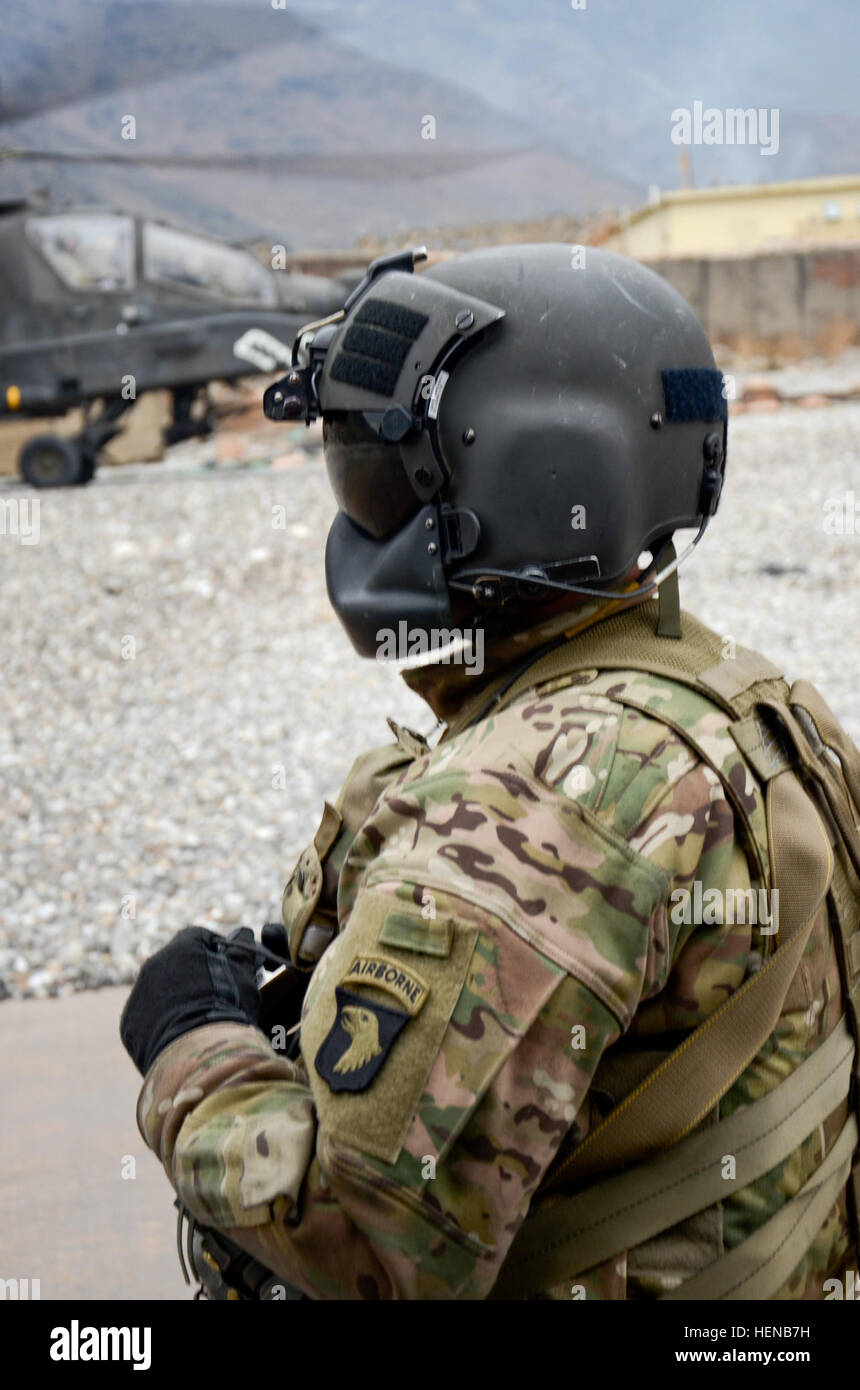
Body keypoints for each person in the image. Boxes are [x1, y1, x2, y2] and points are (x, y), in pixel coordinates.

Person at [121, 244, 860, 1300]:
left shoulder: (543, 796)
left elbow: (369, 1253)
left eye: (385, 469)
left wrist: (193, 1048)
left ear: (526, 471)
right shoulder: (744, 701)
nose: (359, 510)